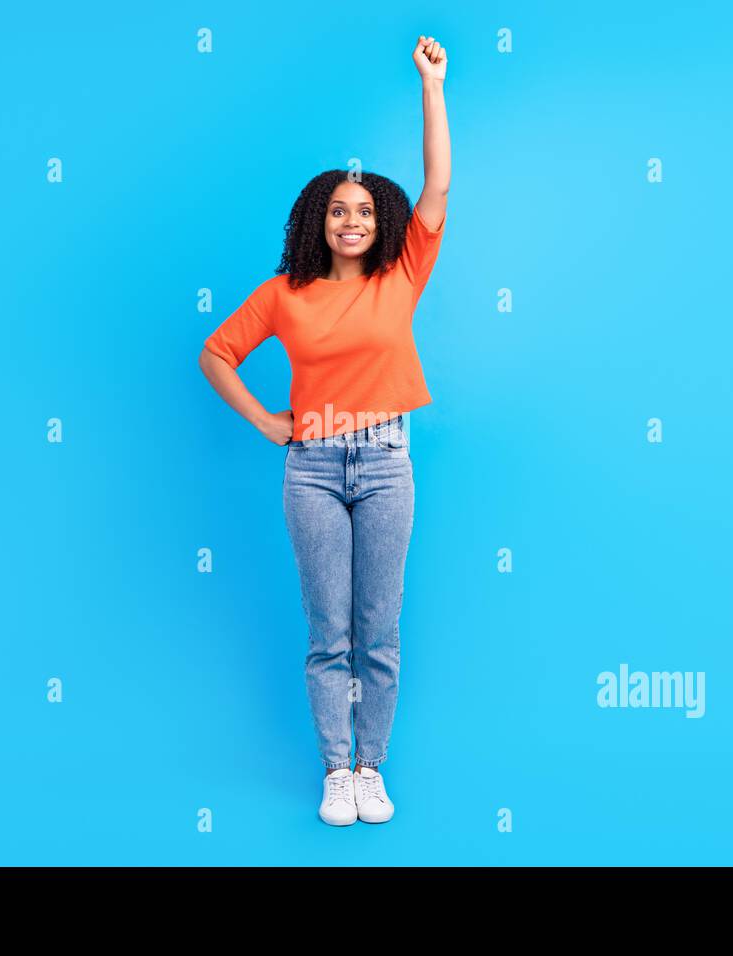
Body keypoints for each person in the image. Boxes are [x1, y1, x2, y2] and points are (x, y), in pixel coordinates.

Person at [199, 35, 450, 825]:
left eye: (366, 211)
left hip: (385, 462)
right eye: (338, 211)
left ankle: (371, 767)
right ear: (318, 219)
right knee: (327, 629)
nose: (352, 221)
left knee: (379, 627)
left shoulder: (401, 276)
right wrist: (268, 422)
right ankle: (333, 770)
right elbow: (216, 354)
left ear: (384, 223)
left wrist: (431, 86)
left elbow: (439, 186)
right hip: (310, 468)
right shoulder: (285, 293)